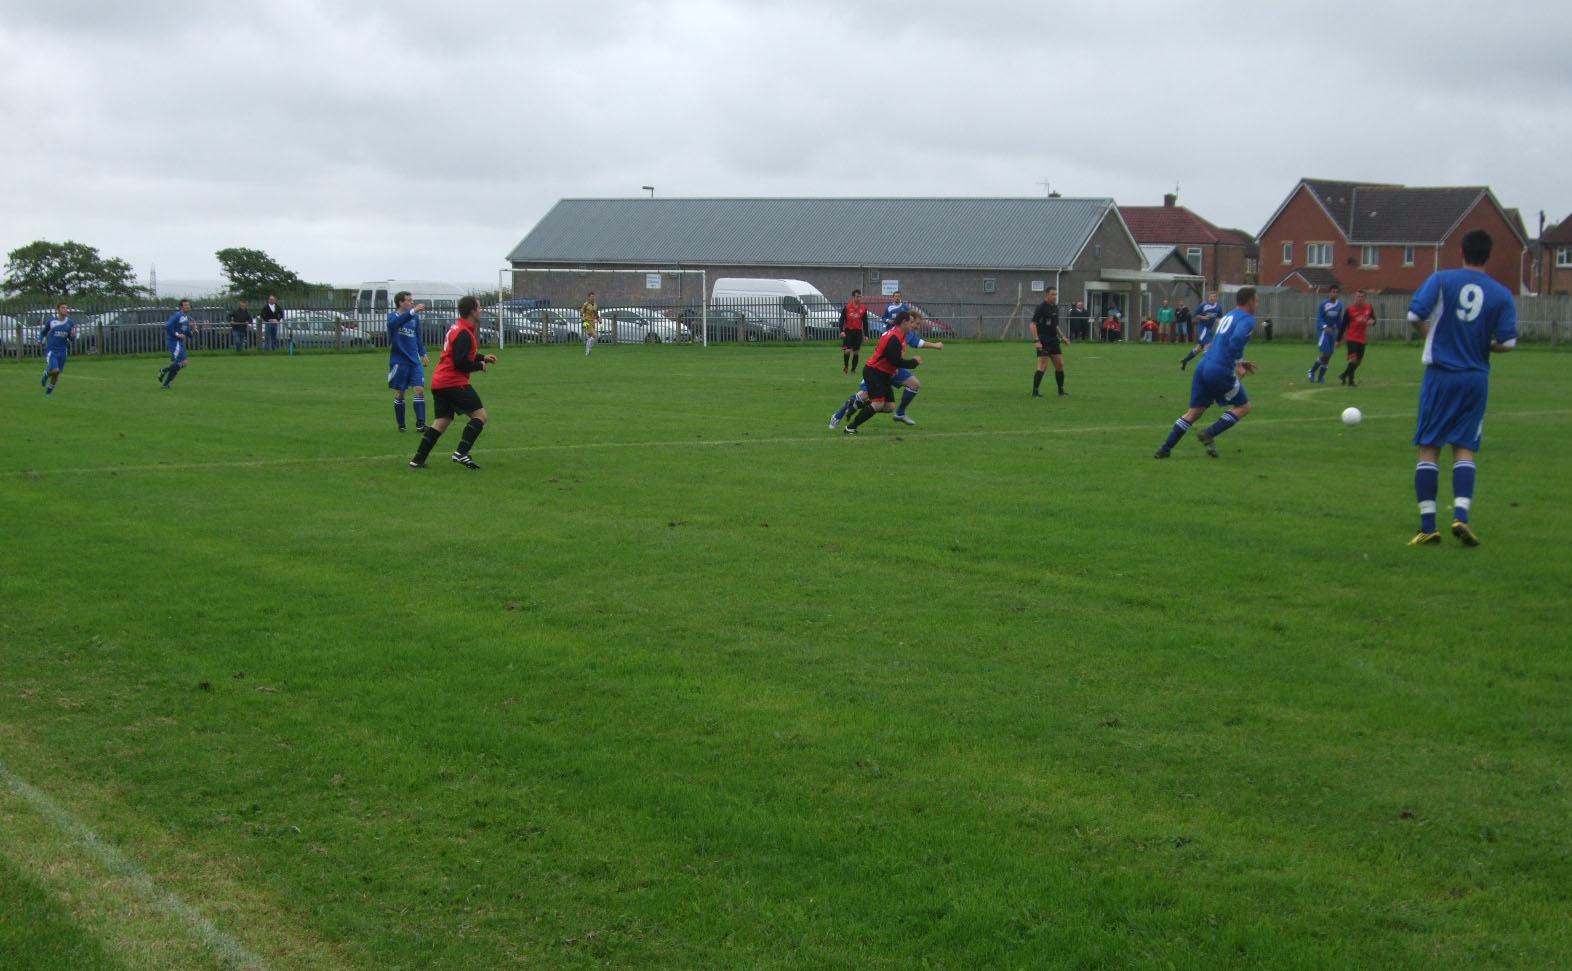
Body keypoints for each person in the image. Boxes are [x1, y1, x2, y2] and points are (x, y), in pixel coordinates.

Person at [1405, 229, 1516, 547]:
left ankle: (1428, 527)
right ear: (1488, 256)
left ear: (1461, 252)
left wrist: (1427, 332)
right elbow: (1507, 343)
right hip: (1475, 377)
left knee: (1429, 447)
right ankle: (1461, 517)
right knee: (1465, 446)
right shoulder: (1501, 294)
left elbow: (1414, 314)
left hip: (1441, 374)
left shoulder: (1442, 279)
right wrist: (1484, 344)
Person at [1154, 286, 1261, 459]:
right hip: (1219, 369)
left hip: (1204, 364)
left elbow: (1223, 342)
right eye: (1256, 300)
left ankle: (1165, 448)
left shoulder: (1229, 315)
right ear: (1250, 301)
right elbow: (1236, 340)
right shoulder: (1248, 319)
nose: (1258, 304)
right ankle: (1210, 433)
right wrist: (1239, 364)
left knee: (1194, 412)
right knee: (1243, 406)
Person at [410, 296, 497, 470]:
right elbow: (460, 362)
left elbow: (458, 353)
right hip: (452, 382)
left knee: (441, 422)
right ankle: (461, 453)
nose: (481, 311)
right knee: (480, 416)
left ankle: (417, 460)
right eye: (479, 308)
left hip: (440, 381)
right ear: (472, 311)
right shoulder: (464, 332)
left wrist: (482, 357)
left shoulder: (458, 328)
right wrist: (478, 365)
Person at [828, 325, 943, 428]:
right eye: (917, 323)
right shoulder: (894, 333)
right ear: (907, 322)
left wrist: (935, 346)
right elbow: (891, 354)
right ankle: (840, 414)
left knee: (911, 387)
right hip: (880, 369)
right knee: (865, 394)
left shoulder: (907, 334)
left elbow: (918, 342)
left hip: (895, 368)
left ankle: (900, 413)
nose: (918, 326)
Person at [841, 309, 922, 434]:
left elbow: (893, 361)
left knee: (889, 406)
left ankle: (856, 404)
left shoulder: (898, 335)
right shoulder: (894, 337)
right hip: (875, 372)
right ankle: (851, 427)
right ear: (904, 322)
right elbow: (895, 361)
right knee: (878, 404)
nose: (912, 326)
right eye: (911, 322)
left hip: (883, 373)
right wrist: (913, 362)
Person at [386, 290, 430, 432]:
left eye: (413, 300)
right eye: (409, 300)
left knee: (419, 390)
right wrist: (413, 311)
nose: (412, 302)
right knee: (400, 393)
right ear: (401, 302)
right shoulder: (392, 317)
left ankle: (421, 424)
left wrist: (423, 353)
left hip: (414, 361)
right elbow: (397, 322)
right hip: (399, 361)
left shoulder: (414, 318)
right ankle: (401, 424)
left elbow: (417, 337)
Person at [1030, 287, 1070, 397]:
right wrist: (1037, 341)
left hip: (1054, 340)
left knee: (1060, 365)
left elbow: (1055, 325)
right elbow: (1032, 324)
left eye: (1056, 294)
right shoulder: (1041, 308)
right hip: (1043, 340)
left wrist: (1063, 337)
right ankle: (1035, 392)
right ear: (1046, 295)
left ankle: (1061, 391)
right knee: (1043, 366)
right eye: (1052, 294)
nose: (1055, 296)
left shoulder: (1055, 308)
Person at [35, 301, 76, 397]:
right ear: (58, 310)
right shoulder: (51, 321)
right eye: (63, 307)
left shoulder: (70, 322)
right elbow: (43, 332)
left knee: (56, 374)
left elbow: (71, 339)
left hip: (63, 352)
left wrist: (73, 335)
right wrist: (39, 340)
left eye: (66, 308)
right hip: (52, 351)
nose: (65, 309)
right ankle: (46, 374)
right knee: (55, 370)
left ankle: (48, 392)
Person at [1306, 285, 1344, 383]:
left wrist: (1341, 331)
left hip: (1332, 331)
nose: (1334, 294)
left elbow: (1338, 319)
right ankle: (1311, 371)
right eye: (1333, 292)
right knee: (1326, 353)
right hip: (1323, 332)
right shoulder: (1324, 304)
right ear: (1329, 293)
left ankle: (1320, 377)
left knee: (1329, 355)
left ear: (1338, 294)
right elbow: (1319, 318)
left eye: (1336, 292)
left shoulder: (1339, 305)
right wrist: (1325, 326)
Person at [1337, 289, 1375, 386]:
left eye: (1361, 297)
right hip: (1352, 337)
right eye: (1358, 297)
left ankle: (1344, 375)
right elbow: (1343, 326)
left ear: (1365, 298)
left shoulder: (1369, 308)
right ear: (1355, 298)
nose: (1359, 299)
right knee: (1353, 360)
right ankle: (1351, 382)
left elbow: (1374, 319)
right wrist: (1338, 340)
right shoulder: (1350, 310)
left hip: (1362, 338)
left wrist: (1372, 322)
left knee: (1358, 362)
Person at [158, 300, 195, 388]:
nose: (187, 306)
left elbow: (184, 331)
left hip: (179, 343)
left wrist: (192, 332)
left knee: (177, 365)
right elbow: (167, 326)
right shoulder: (177, 316)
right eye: (185, 305)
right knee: (184, 363)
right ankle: (164, 370)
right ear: (181, 307)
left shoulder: (187, 318)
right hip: (174, 342)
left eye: (188, 305)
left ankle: (166, 384)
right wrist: (177, 334)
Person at [1178, 300, 1216, 370]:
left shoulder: (1218, 307)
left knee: (1198, 348)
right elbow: (1195, 313)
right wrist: (1204, 317)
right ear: (1209, 297)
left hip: (1209, 330)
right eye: (1211, 296)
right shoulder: (1203, 305)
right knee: (1207, 345)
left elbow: (1218, 317)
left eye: (1214, 296)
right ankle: (1206, 367)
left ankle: (1185, 360)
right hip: (1203, 329)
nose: (1213, 298)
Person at [838, 289, 869, 373]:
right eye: (857, 296)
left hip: (858, 332)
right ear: (853, 297)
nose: (859, 298)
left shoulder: (863, 308)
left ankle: (853, 370)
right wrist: (841, 331)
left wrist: (866, 335)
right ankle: (846, 366)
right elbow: (841, 320)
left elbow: (865, 322)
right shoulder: (847, 307)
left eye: (860, 296)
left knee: (856, 352)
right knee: (848, 351)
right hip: (848, 332)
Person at [579, 291, 599, 355]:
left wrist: (599, 319)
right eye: (591, 297)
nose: (593, 298)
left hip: (593, 322)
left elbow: (596, 314)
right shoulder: (586, 304)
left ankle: (588, 351)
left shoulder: (596, 305)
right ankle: (588, 350)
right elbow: (581, 313)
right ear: (589, 298)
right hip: (587, 322)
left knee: (590, 337)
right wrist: (582, 318)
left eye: (594, 296)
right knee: (595, 335)